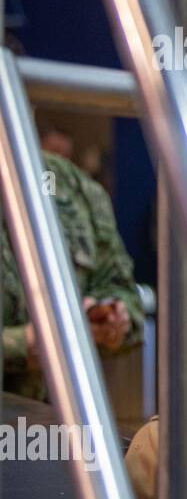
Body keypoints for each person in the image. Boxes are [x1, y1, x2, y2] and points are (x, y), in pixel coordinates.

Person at [2, 152, 143, 402]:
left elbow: (121, 290)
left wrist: (111, 320)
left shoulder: (74, 188)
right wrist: (23, 344)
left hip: (52, 427)